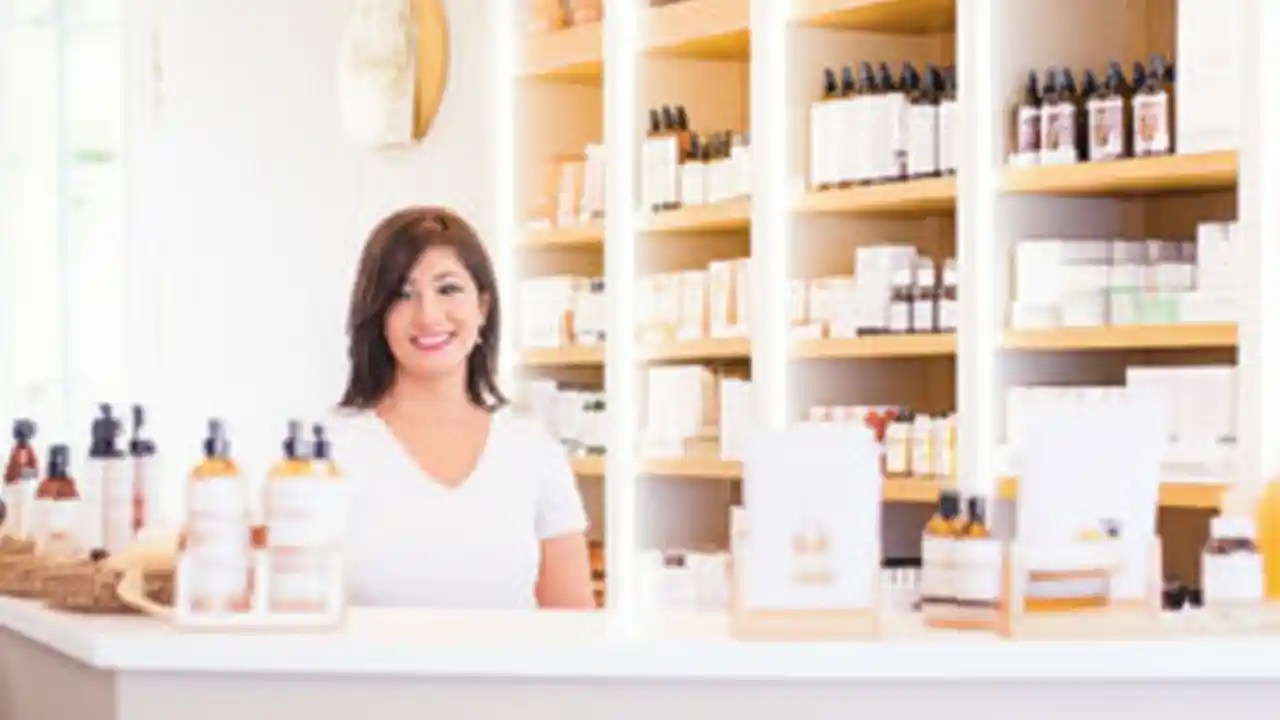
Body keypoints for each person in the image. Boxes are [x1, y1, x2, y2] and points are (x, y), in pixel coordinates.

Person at [329, 206, 594, 609]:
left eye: (448, 289)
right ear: (377, 315)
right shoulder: (329, 453)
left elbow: (575, 632)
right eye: (402, 294)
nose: (428, 315)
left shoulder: (532, 452)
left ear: (483, 307)